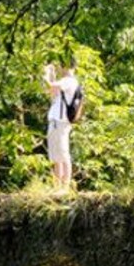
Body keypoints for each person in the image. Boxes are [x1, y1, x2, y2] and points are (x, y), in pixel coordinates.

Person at [43, 62, 81, 192]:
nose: (59, 68)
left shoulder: (69, 81)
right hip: (55, 122)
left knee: (63, 154)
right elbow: (51, 92)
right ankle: (57, 187)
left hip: (61, 122)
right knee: (56, 157)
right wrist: (52, 77)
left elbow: (51, 85)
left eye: (61, 66)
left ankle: (64, 187)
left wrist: (47, 74)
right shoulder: (64, 82)